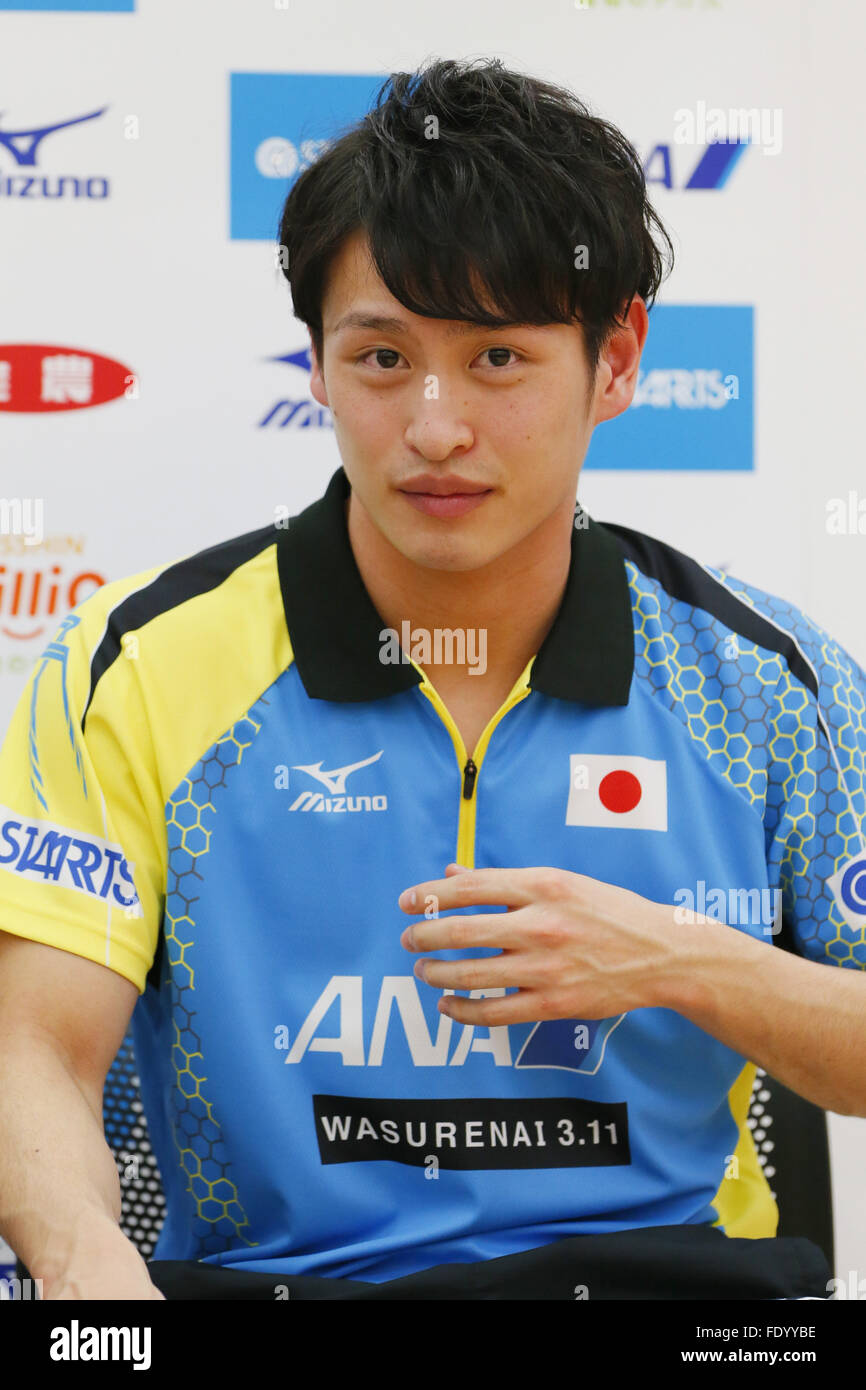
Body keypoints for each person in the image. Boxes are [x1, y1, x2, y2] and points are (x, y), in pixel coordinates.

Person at [0, 57, 861, 1302]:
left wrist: (681, 961)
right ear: (315, 365)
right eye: (383, 359)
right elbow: (34, 1047)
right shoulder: (137, 668)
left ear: (614, 358)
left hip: (665, 1304)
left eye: (499, 359)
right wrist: (86, 1274)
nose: (436, 427)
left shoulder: (763, 685)